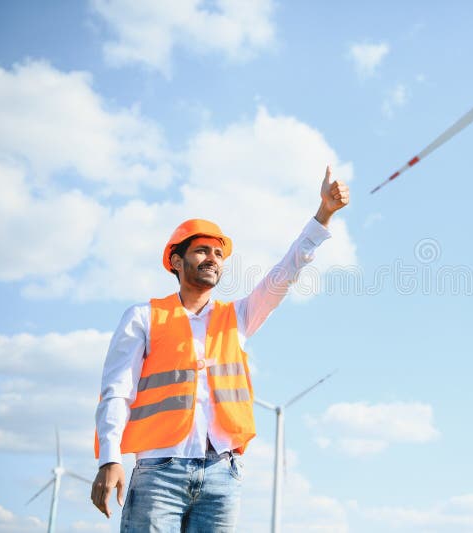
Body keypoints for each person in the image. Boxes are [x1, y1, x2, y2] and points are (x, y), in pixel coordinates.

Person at [91, 167, 349, 531]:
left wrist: (323, 214)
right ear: (176, 261)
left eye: (218, 253)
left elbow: (286, 271)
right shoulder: (143, 317)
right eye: (201, 251)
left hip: (222, 475)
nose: (213, 258)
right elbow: (117, 391)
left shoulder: (238, 317)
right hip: (158, 473)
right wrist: (109, 458)